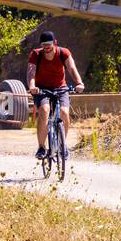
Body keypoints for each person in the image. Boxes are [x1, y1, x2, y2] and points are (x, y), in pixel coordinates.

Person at [27, 31, 85, 159]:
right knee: (44, 110)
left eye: (48, 44)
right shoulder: (36, 54)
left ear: (55, 43)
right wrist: (32, 87)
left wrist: (79, 83)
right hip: (42, 89)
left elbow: (72, 68)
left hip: (60, 88)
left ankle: (62, 145)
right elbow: (31, 73)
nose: (46, 47)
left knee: (64, 112)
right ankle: (41, 147)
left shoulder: (63, 52)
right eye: (44, 45)